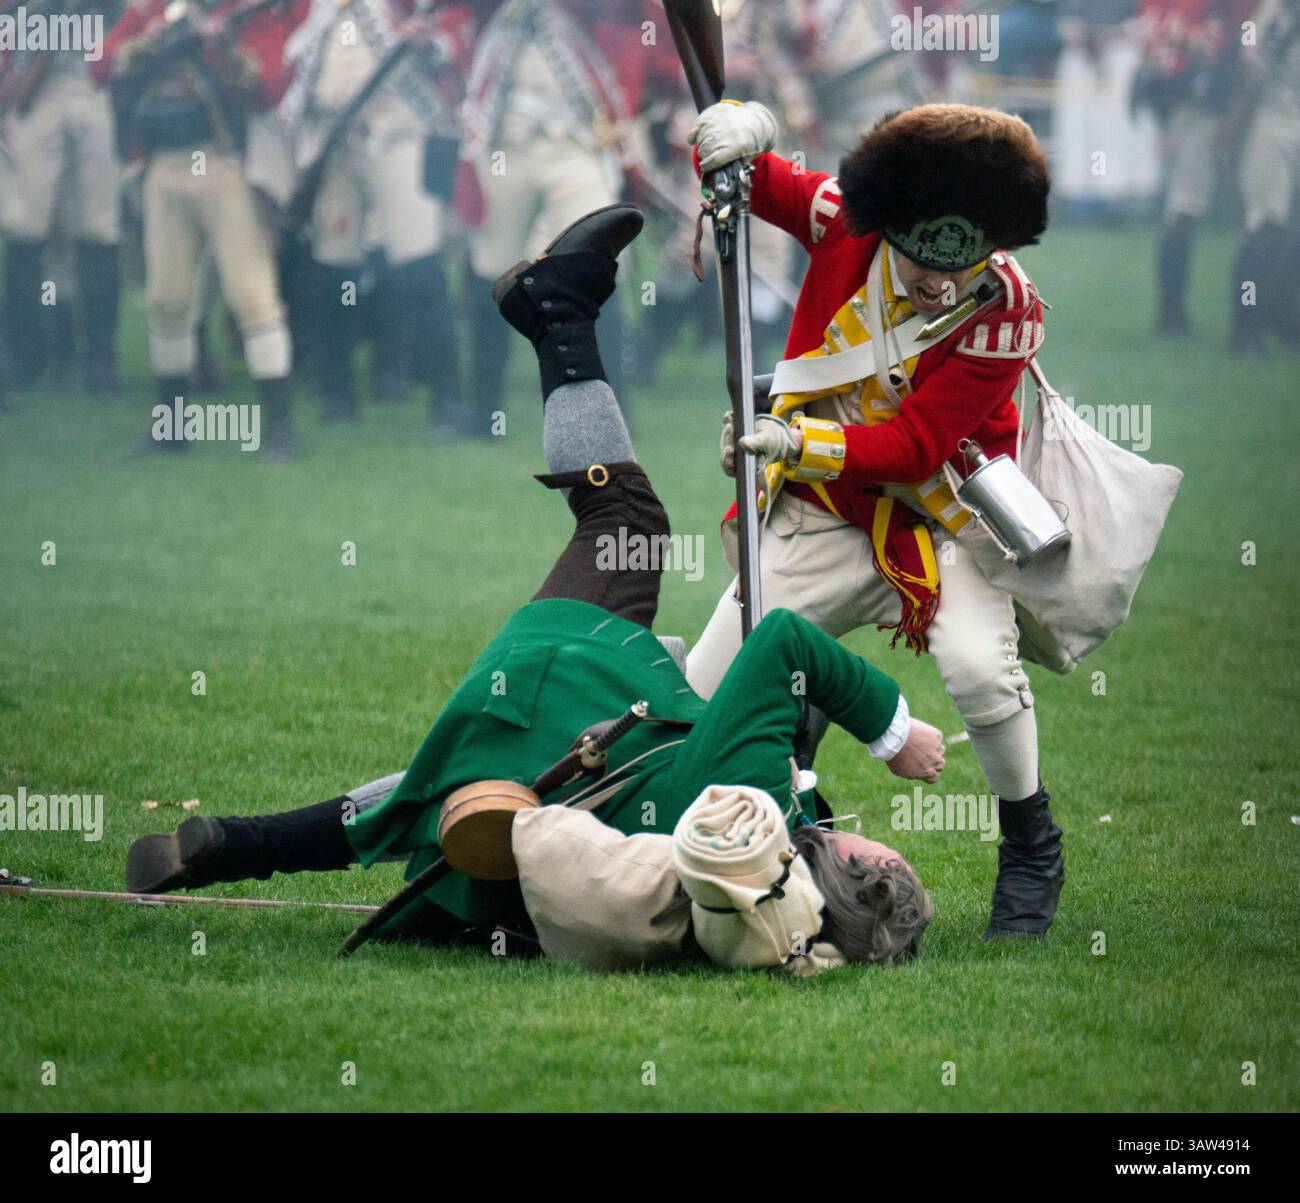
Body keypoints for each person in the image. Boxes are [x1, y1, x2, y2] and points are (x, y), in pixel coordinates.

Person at [124, 204, 943, 973]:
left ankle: (559, 314)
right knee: (430, 795)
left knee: (623, 521)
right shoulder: (735, 917)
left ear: (862, 863)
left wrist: (890, 727)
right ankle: (231, 846)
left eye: (876, 849)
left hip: (557, 701)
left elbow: (788, 643)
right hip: (512, 841)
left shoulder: (756, 809)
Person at [682, 100, 1064, 940]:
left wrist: (794, 437)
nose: (937, 282)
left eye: (955, 265)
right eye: (920, 257)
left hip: (941, 520)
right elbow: (742, 178)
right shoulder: (842, 222)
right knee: (698, 705)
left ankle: (1030, 840)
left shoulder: (1009, 310)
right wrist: (742, 128)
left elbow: (917, 444)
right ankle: (734, 825)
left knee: (977, 669)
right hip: (825, 515)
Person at [92, 0, 302, 456]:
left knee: (252, 296)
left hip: (223, 163)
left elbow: (267, 86)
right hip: (162, 167)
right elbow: (101, 63)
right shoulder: (153, 12)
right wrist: (144, 45)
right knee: (167, 300)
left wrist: (224, 47)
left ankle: (281, 428)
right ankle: (170, 429)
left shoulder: (245, 14)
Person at [0, 1, 126, 393]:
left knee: (100, 227)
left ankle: (100, 361)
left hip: (92, 79)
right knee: (24, 224)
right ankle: (27, 356)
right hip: (36, 82)